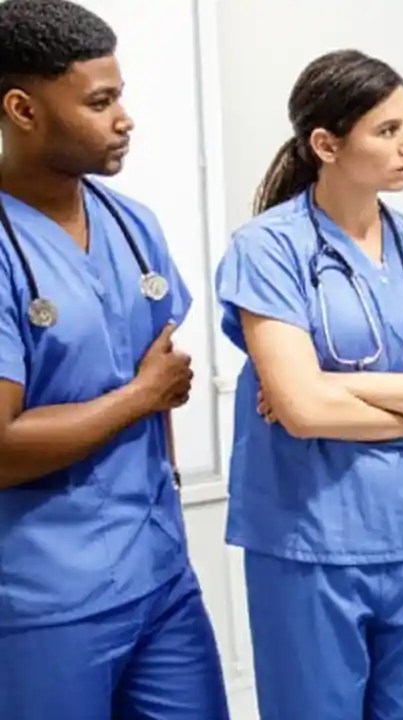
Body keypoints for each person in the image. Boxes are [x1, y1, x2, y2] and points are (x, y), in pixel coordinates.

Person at [215, 50, 403, 720]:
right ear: (326, 144)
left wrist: (350, 391)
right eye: (388, 130)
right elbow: (304, 409)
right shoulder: (268, 249)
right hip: (309, 544)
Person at [0, 1, 230, 717]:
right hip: (45, 599)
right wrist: (141, 395)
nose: (124, 117)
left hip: (159, 577)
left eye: (121, 95)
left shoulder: (133, 226)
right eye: (100, 103)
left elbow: (160, 404)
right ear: (21, 109)